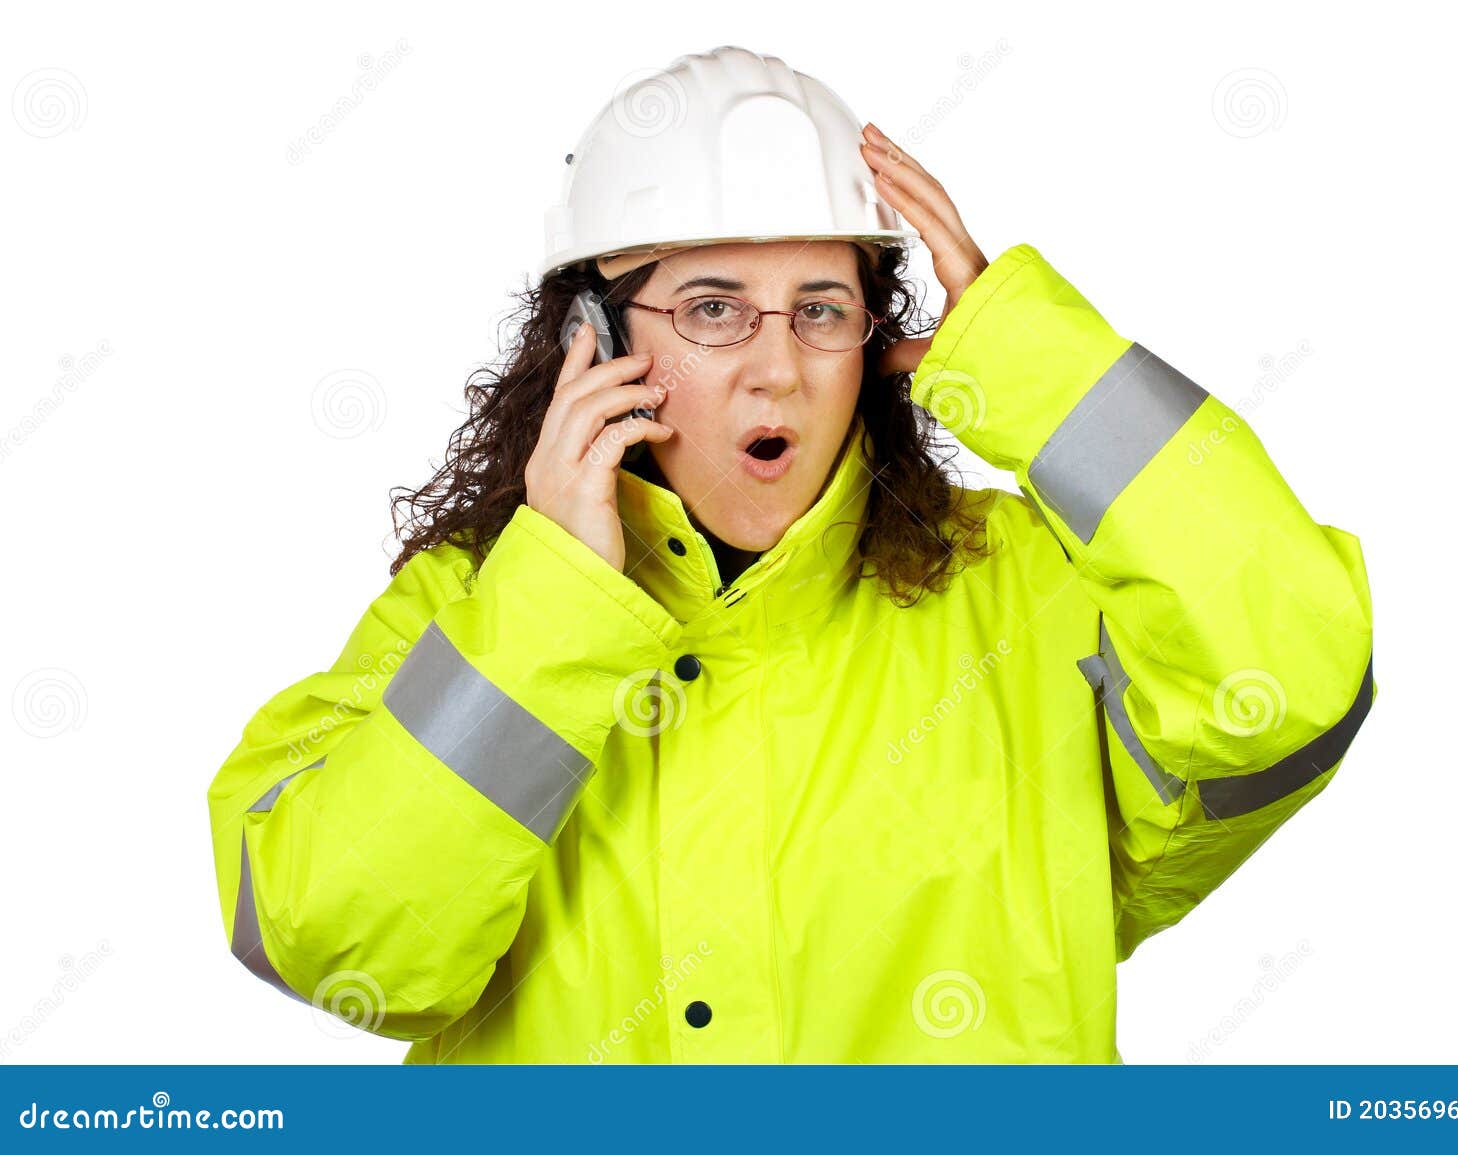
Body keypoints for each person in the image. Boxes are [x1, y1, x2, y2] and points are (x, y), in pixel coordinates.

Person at [206, 45, 1375, 1063]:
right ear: (591, 342)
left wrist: (1034, 363)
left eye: (821, 307)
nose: (778, 368)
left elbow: (1291, 675)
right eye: (713, 306)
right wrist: (556, 605)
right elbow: (332, 939)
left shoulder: (1026, 592)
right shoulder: (473, 613)